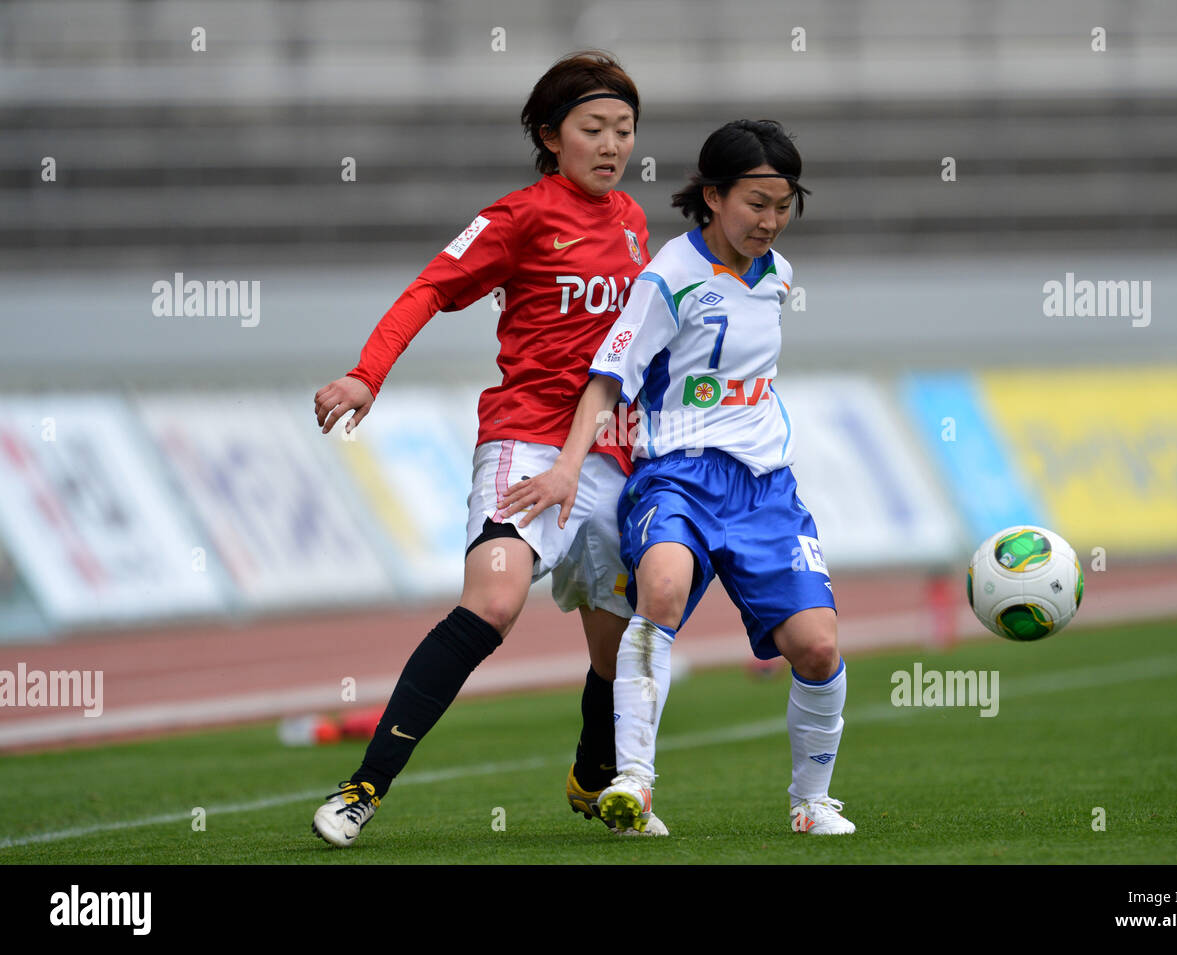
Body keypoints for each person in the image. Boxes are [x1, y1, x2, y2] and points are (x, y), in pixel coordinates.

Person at [310, 50, 668, 846]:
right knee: (496, 601)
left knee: (619, 643)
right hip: (528, 439)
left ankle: (592, 772)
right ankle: (363, 786)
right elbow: (432, 287)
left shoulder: (635, 222)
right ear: (551, 135)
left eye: (625, 130)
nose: (613, 145)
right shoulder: (520, 217)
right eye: (594, 129)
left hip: (612, 454)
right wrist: (367, 374)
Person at [500, 119, 855, 835]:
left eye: (783, 206)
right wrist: (568, 466)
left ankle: (812, 802)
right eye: (756, 203)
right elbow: (606, 379)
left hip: (765, 489)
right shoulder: (669, 276)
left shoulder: (778, 277)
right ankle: (633, 784)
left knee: (818, 646)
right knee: (659, 590)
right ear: (714, 196)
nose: (770, 221)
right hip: (676, 478)